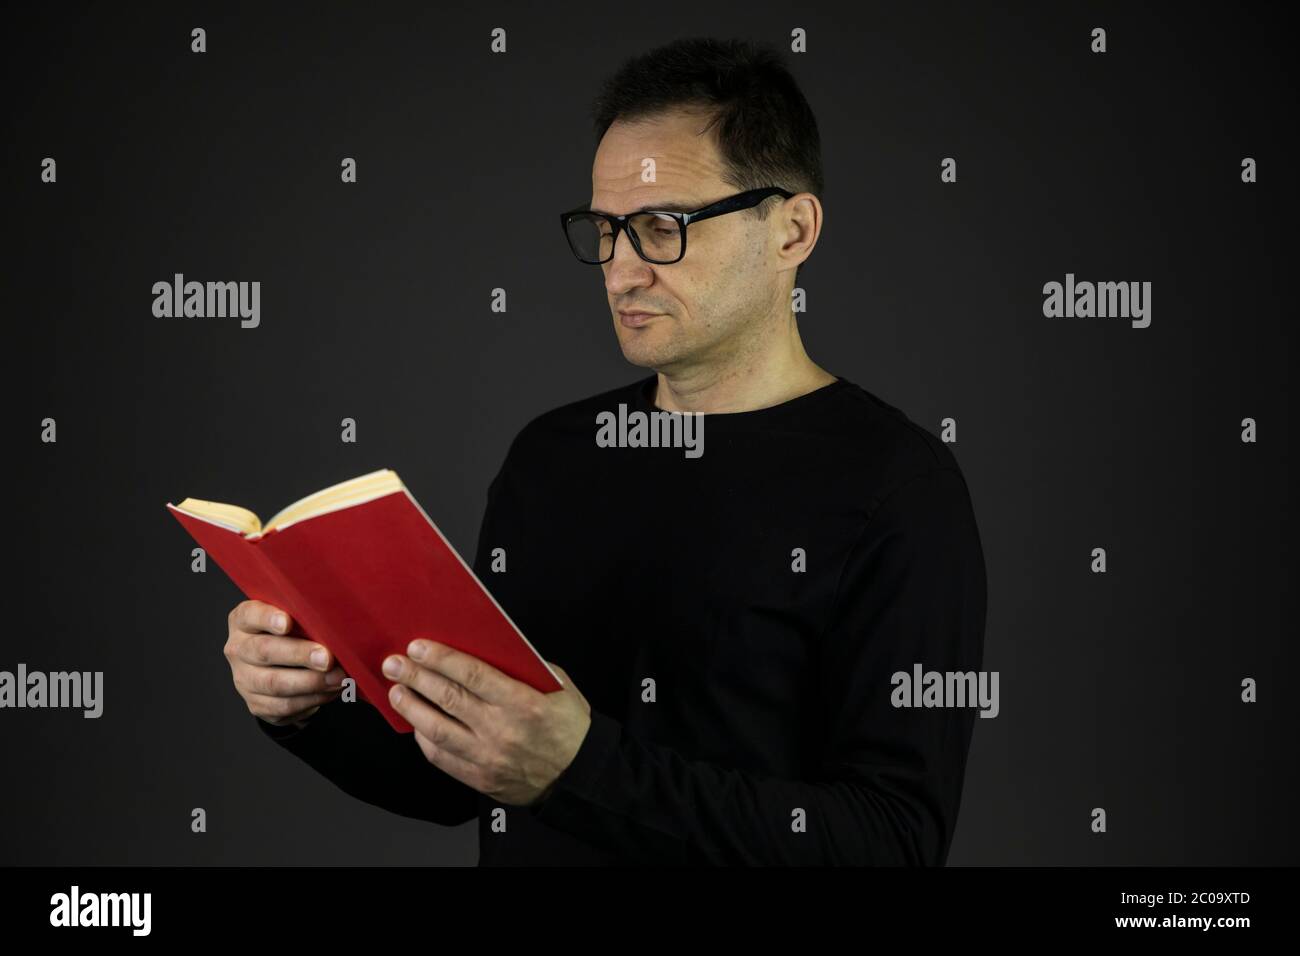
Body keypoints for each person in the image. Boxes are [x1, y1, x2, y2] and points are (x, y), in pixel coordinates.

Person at [224, 36, 987, 865]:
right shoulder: (552, 458)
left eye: (663, 227)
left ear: (793, 230)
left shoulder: (898, 487)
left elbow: (894, 843)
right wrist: (306, 706)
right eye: (605, 230)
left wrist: (580, 769)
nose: (621, 271)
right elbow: (464, 779)